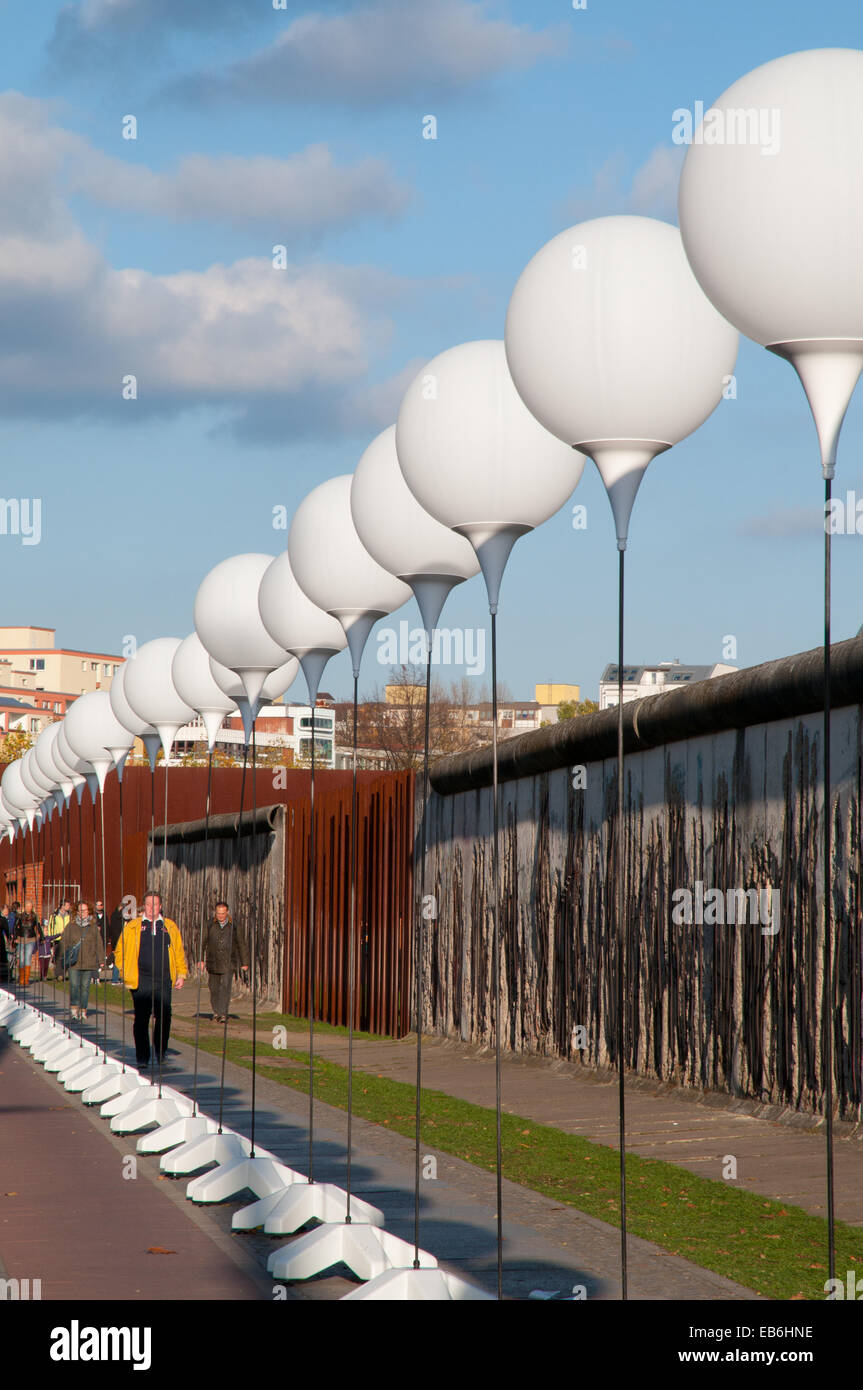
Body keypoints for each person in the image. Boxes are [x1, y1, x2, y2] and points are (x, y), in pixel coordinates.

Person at [117, 891, 187, 1072]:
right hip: (141, 980)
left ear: (160, 906)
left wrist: (181, 974)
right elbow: (120, 952)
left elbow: (178, 951)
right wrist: (126, 973)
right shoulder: (133, 926)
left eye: (155, 905)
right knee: (141, 1019)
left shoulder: (170, 926)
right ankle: (142, 1057)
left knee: (164, 1016)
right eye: (148, 904)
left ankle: (160, 1051)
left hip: (163, 979)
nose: (152, 908)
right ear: (143, 906)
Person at [199, 901, 249, 1023]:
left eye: (223, 913)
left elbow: (241, 944)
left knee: (225, 987)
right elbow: (202, 942)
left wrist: (245, 962)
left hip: (228, 962)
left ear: (227, 912)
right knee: (214, 988)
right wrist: (200, 959)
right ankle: (216, 1011)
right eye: (218, 913)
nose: (220, 916)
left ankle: (223, 1013)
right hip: (213, 961)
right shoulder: (209, 924)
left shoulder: (234, 926)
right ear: (215, 913)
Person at [59, 902, 102, 1021]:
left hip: (89, 961)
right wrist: (61, 956)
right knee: (73, 986)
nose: (83, 913)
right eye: (80, 910)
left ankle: (83, 1010)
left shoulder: (93, 927)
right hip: (74, 962)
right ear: (77, 912)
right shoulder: (71, 926)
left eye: (85, 910)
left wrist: (102, 960)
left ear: (89, 912)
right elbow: (64, 942)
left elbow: (99, 943)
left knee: (85, 987)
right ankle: (74, 1009)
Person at [13, 901, 41, 988]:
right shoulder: (20, 916)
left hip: (31, 939)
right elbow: (15, 926)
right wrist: (14, 938)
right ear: (25, 907)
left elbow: (38, 926)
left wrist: (42, 936)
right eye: (27, 906)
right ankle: (21, 978)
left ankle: (26, 979)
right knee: (21, 958)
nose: (29, 908)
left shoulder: (34, 916)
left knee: (28, 957)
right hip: (21, 939)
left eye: (30, 907)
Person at [48, 900, 72, 980]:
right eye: (67, 905)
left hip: (68, 939)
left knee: (66, 957)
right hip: (57, 939)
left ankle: (62, 974)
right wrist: (51, 939)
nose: (69, 907)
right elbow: (50, 927)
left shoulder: (70, 916)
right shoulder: (54, 916)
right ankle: (58, 974)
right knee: (58, 957)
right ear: (62, 906)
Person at [107, 903, 126, 984]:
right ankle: (116, 979)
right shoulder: (119, 917)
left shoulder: (114, 916)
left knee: (119, 960)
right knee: (120, 960)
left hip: (116, 941)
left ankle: (117, 978)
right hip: (119, 941)